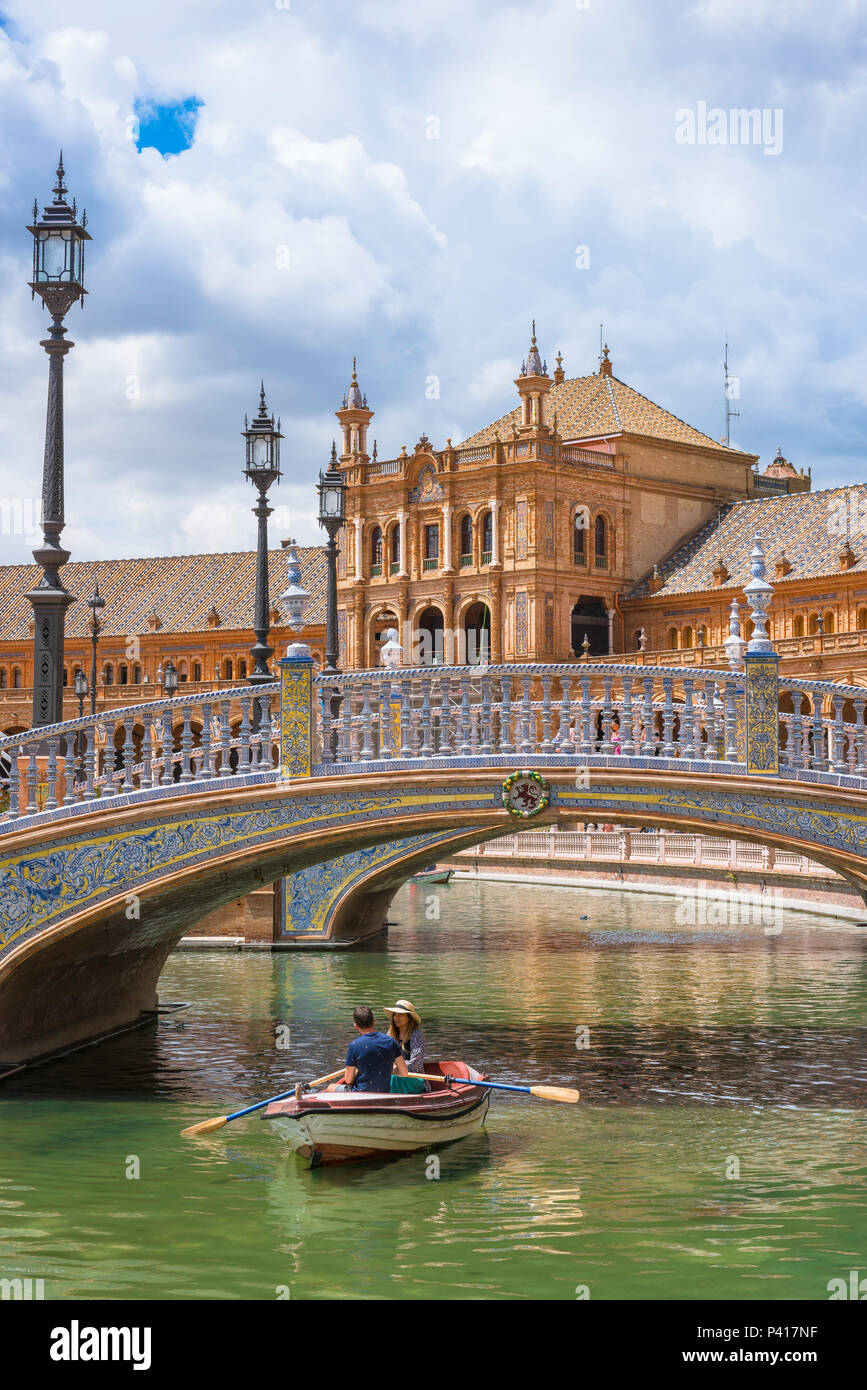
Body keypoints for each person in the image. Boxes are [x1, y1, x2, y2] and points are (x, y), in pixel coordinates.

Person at [327, 1006, 409, 1093]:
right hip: (384, 1092)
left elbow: (348, 1080)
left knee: (330, 1087)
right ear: (374, 1021)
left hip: (360, 1093)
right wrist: (387, 1071)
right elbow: (404, 1072)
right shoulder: (390, 1041)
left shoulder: (354, 1045)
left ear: (356, 1026)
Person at [384, 1000, 428, 1094]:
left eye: (401, 1015)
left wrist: (397, 1067)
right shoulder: (389, 1034)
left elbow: (416, 1063)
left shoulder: (416, 1035)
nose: (397, 1018)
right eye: (395, 1014)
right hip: (392, 1074)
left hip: (414, 1078)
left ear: (409, 1017)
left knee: (397, 1078)